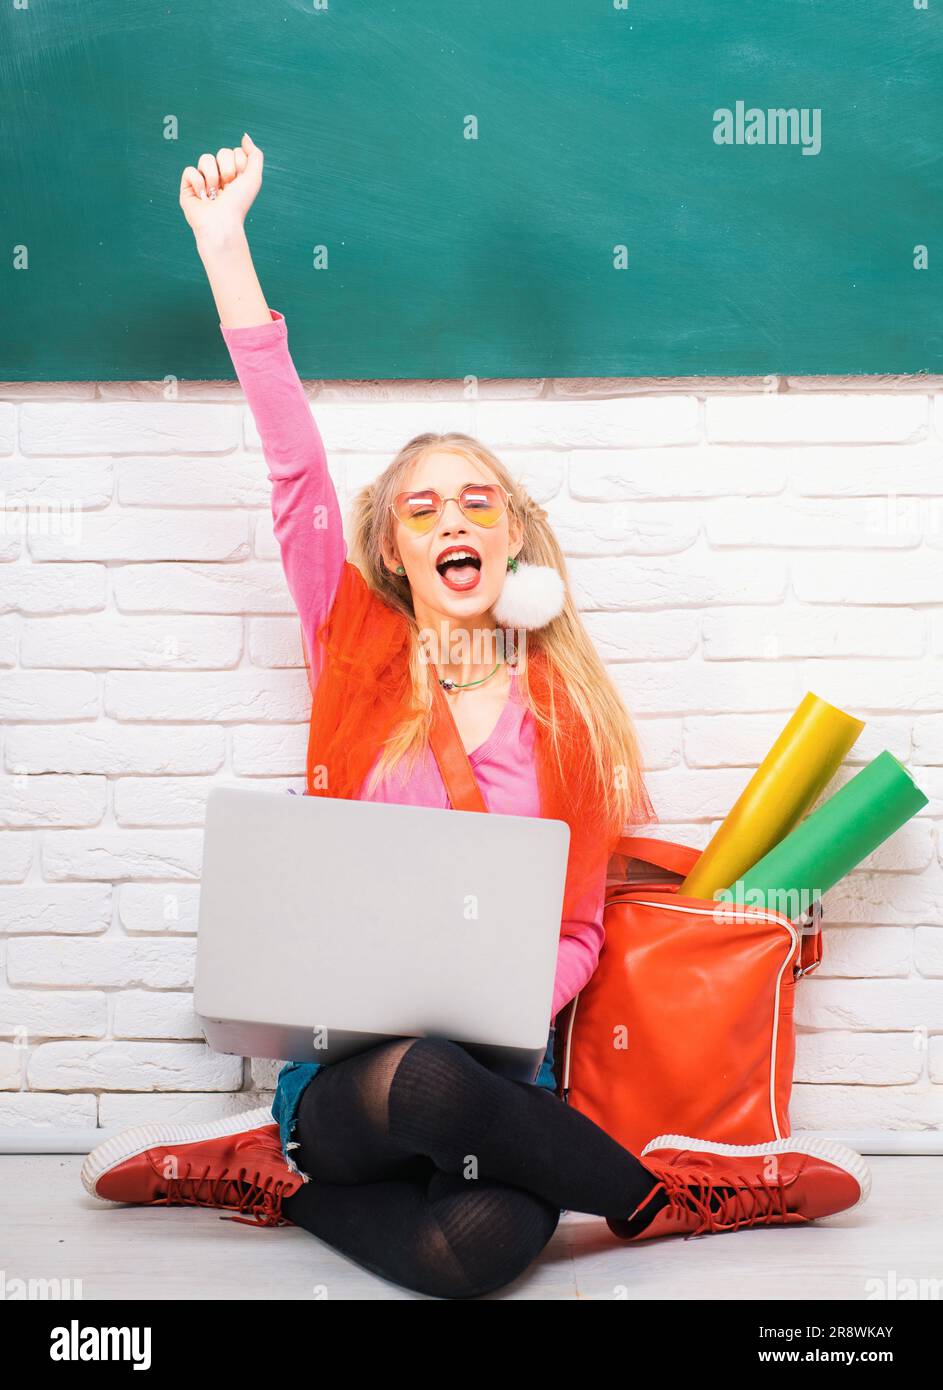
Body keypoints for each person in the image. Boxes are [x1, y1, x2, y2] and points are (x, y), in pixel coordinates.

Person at [81, 134, 871, 1301]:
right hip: (352, 1082)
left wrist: (494, 996)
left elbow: (580, 936)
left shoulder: (571, 718)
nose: (449, 514)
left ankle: (281, 1184)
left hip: (500, 1085)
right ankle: (682, 1197)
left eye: (475, 498)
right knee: (421, 1080)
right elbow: (294, 463)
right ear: (396, 552)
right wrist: (223, 244)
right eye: (420, 506)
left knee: (479, 1252)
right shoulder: (354, 651)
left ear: (508, 538)